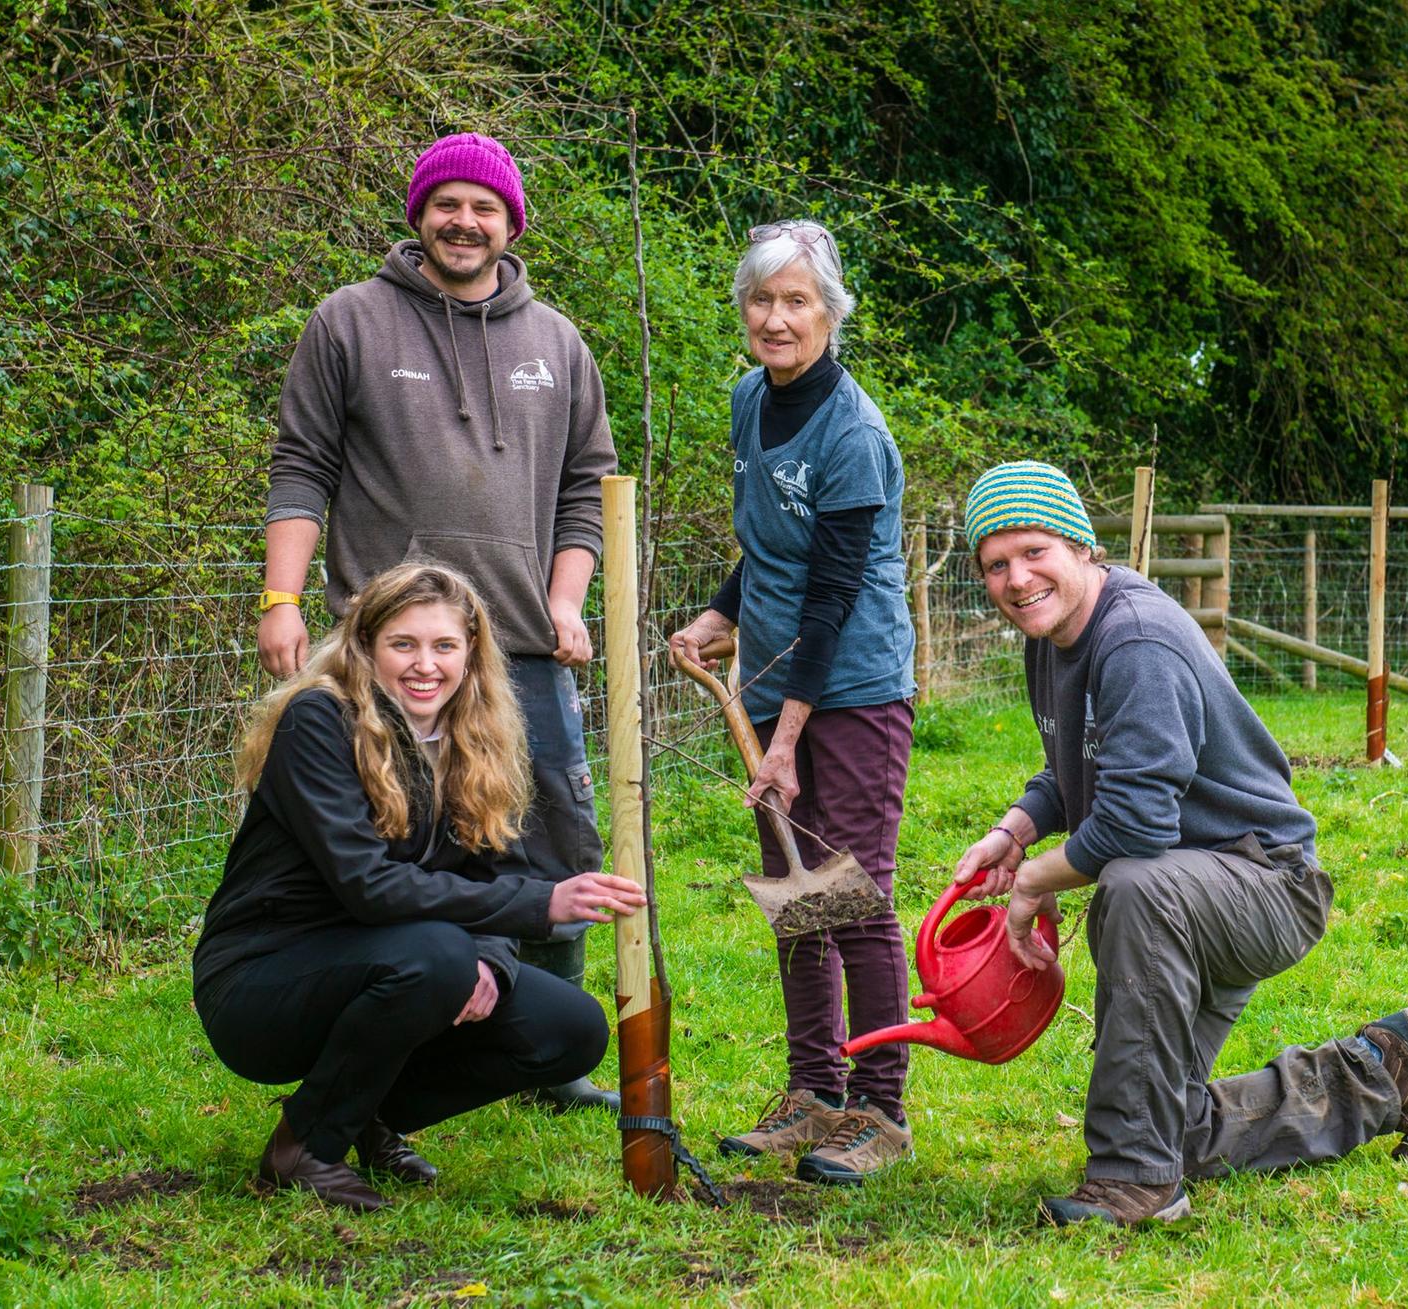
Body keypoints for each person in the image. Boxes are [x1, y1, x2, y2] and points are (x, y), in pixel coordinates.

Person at [951, 461, 1408, 1228]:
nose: (1017, 578)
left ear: (1082, 546)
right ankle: (1379, 1074)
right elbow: (1084, 768)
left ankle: (1135, 1187)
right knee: (1161, 1119)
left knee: (1130, 882)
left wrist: (1033, 885)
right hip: (1193, 887)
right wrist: (1015, 829)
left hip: (1263, 883)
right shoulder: (1052, 637)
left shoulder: (1135, 640)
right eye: (996, 563)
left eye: (1035, 551)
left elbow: (1135, 824)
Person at [256, 132, 621, 1111]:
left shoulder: (559, 343)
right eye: (446, 203)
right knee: (397, 851)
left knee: (551, 842)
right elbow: (300, 469)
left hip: (523, 652)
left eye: (484, 207)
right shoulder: (350, 323)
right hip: (388, 655)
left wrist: (564, 602)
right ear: (419, 213)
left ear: (511, 224)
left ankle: (548, 1049)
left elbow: (587, 492)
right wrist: (280, 600)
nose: (464, 221)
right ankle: (403, 1040)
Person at [195, 563, 649, 1211]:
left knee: (568, 1027)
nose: (424, 665)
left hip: (388, 959)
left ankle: (358, 1113)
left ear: (471, 652)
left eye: (444, 646)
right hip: (263, 981)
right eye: (402, 644)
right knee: (437, 955)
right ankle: (303, 1148)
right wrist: (539, 906)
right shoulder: (319, 722)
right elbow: (369, 887)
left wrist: (492, 955)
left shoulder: (473, 738)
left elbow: (492, 871)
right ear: (365, 645)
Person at [667, 220, 918, 1185]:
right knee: (794, 898)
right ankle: (813, 1092)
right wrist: (718, 615)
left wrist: (788, 740)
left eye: (797, 301)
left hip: (849, 691)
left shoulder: (853, 433)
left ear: (831, 314)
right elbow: (770, 552)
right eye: (762, 301)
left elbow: (834, 591)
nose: (777, 318)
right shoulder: (747, 400)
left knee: (849, 892)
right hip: (772, 685)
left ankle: (881, 1112)